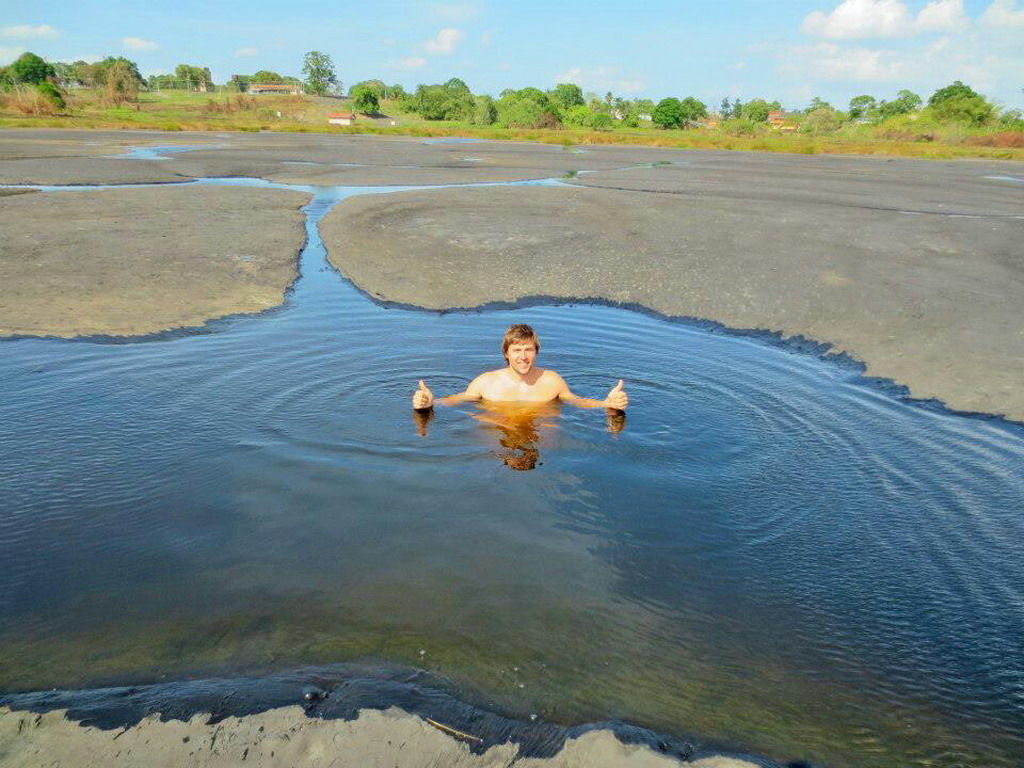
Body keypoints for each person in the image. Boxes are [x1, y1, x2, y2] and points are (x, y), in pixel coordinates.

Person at [412, 323, 628, 412]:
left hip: (542, 440)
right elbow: (457, 399)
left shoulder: (552, 381)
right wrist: (431, 403)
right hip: (499, 438)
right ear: (506, 353)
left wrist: (605, 404)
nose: (523, 357)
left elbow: (576, 401)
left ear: (536, 352)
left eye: (528, 350)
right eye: (517, 350)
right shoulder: (486, 382)